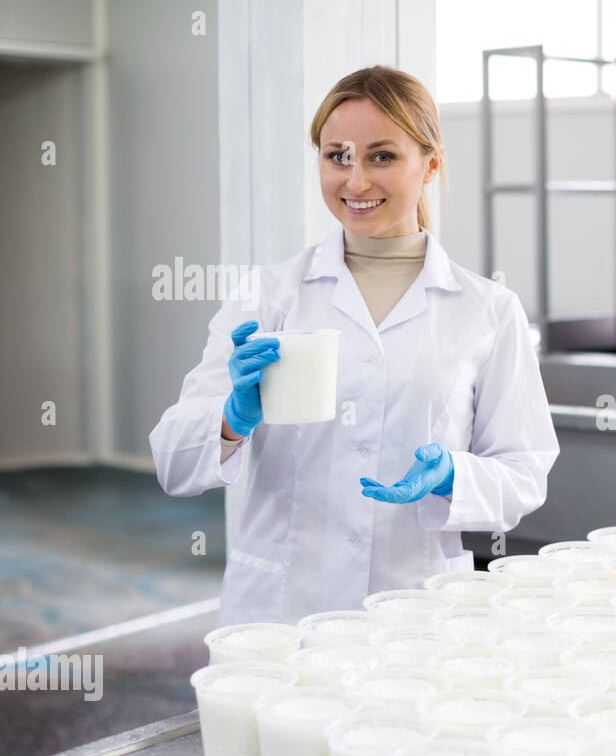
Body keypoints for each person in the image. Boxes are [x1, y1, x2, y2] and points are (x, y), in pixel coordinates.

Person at [149, 65, 559, 626]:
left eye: (382, 156)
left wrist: (453, 477)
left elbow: (524, 472)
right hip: (279, 612)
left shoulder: (486, 309)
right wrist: (229, 420)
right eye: (337, 155)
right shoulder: (268, 294)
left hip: (416, 611)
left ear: (430, 163)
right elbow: (171, 462)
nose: (356, 181)